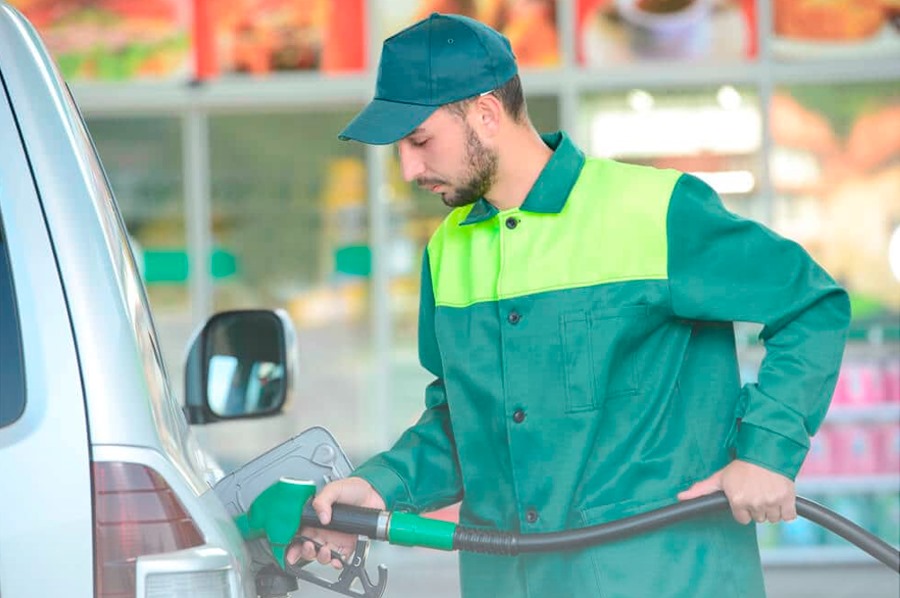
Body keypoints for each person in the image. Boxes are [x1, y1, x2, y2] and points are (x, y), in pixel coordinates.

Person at [287, 12, 851, 597]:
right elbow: (466, 424)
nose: (408, 169)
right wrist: (379, 487)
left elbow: (811, 303)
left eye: (420, 140)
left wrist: (767, 452)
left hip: (665, 578)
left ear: (484, 112)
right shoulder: (447, 253)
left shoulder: (656, 212)